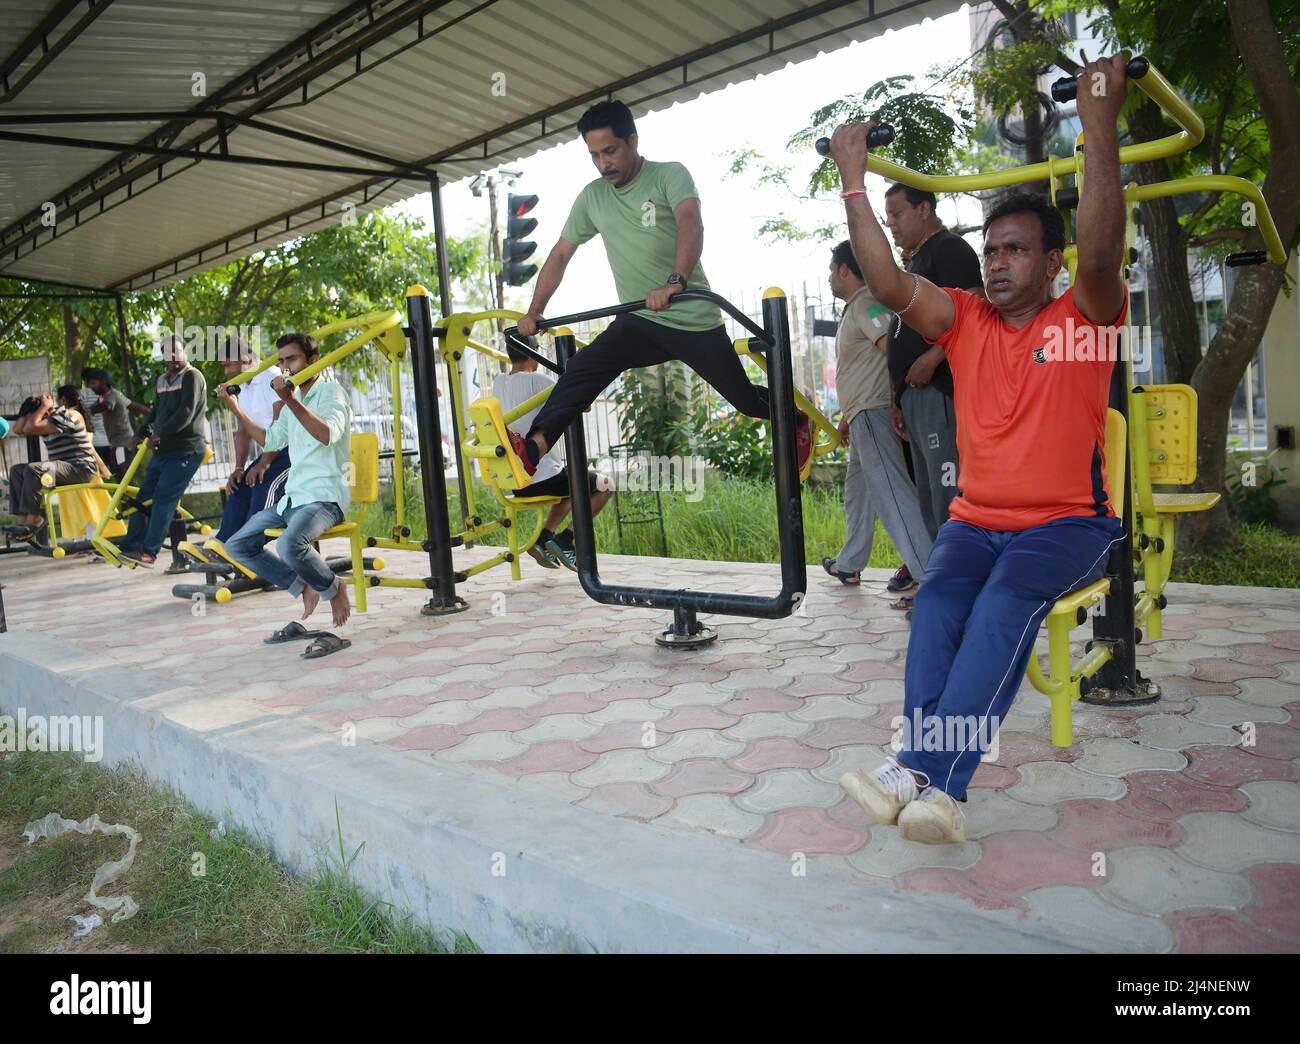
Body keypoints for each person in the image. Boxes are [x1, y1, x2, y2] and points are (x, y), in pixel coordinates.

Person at [828, 55, 1132, 844]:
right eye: (992, 250)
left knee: (1002, 604)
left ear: (1052, 263)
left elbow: (1103, 257)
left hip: (1066, 525)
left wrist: (1098, 121)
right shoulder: (964, 318)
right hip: (976, 521)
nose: (998, 262)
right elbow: (888, 286)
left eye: (1016, 250)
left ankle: (926, 774)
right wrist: (853, 181)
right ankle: (928, 783)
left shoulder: (1083, 319)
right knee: (935, 603)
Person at [512, 99, 812, 480]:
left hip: (690, 316)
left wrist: (675, 281)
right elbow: (559, 254)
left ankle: (795, 417)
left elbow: (691, 224)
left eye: (611, 151)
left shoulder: (669, 175)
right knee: (584, 367)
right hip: (639, 319)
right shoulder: (592, 197)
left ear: (633, 141)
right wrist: (535, 310)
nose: (604, 163)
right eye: (595, 155)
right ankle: (534, 448)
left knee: (745, 400)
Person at [882, 181, 985, 610]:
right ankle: (939, 587)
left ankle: (959, 591)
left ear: (924, 209)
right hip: (914, 397)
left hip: (940, 390)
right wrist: (897, 396)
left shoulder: (950, 249)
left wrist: (932, 358)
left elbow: (975, 308)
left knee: (947, 495)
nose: (891, 224)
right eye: (887, 217)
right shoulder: (916, 261)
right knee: (928, 497)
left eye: (897, 214)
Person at [217, 333, 354, 631]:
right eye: (281, 361)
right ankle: (302, 585)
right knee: (236, 545)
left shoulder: (331, 393)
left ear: (314, 361)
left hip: (324, 498)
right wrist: (235, 408)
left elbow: (327, 434)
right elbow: (269, 440)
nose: (285, 368)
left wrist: (289, 401)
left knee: (289, 545)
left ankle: (333, 587)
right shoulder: (294, 399)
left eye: (292, 359)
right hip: (292, 498)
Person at [820, 241, 932, 590]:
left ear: (844, 270)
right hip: (861, 414)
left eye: (831, 270)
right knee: (858, 492)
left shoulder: (867, 303)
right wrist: (846, 416)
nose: (829, 278)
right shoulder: (856, 307)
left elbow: (891, 350)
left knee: (892, 494)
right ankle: (850, 563)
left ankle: (931, 579)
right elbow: (863, 365)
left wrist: (895, 402)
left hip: (873, 412)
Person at [493, 335, 613, 570]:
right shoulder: (539, 381)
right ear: (533, 354)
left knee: (573, 486)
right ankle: (566, 540)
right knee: (606, 486)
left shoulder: (499, 383)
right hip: (542, 476)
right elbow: (584, 404)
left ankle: (543, 538)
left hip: (515, 481)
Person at [116, 337, 208, 566]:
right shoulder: (162, 380)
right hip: (164, 451)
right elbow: (156, 412)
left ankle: (149, 552)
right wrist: (140, 434)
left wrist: (159, 434)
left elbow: (185, 412)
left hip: (186, 450)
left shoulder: (192, 376)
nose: (172, 356)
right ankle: (131, 548)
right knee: (142, 499)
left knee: (163, 499)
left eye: (176, 351)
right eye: (167, 352)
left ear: (185, 352)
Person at [212, 336, 290, 546]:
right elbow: (243, 431)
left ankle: (247, 546)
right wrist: (239, 468)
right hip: (272, 452)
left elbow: (280, 430)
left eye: (228, 365)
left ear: (246, 360)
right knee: (240, 486)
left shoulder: (272, 378)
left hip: (291, 451)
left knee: (261, 484)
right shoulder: (242, 387)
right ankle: (223, 544)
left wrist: (264, 463)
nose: (226, 372)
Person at [6, 393, 99, 535]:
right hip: (61, 469)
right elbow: (18, 429)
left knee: (34, 469)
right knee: (17, 471)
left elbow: (29, 428)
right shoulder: (43, 420)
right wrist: (27, 412)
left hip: (80, 469)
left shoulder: (64, 416)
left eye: (33, 417)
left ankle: (34, 519)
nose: (29, 422)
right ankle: (22, 521)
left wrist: (44, 405)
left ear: (45, 412)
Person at [84, 368, 149, 479]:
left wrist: (90, 411)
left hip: (123, 442)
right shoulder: (102, 397)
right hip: (115, 442)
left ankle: (131, 490)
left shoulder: (112, 395)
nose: (91, 387)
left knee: (123, 471)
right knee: (118, 470)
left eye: (93, 383)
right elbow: (95, 406)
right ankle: (125, 489)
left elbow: (108, 405)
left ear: (103, 382)